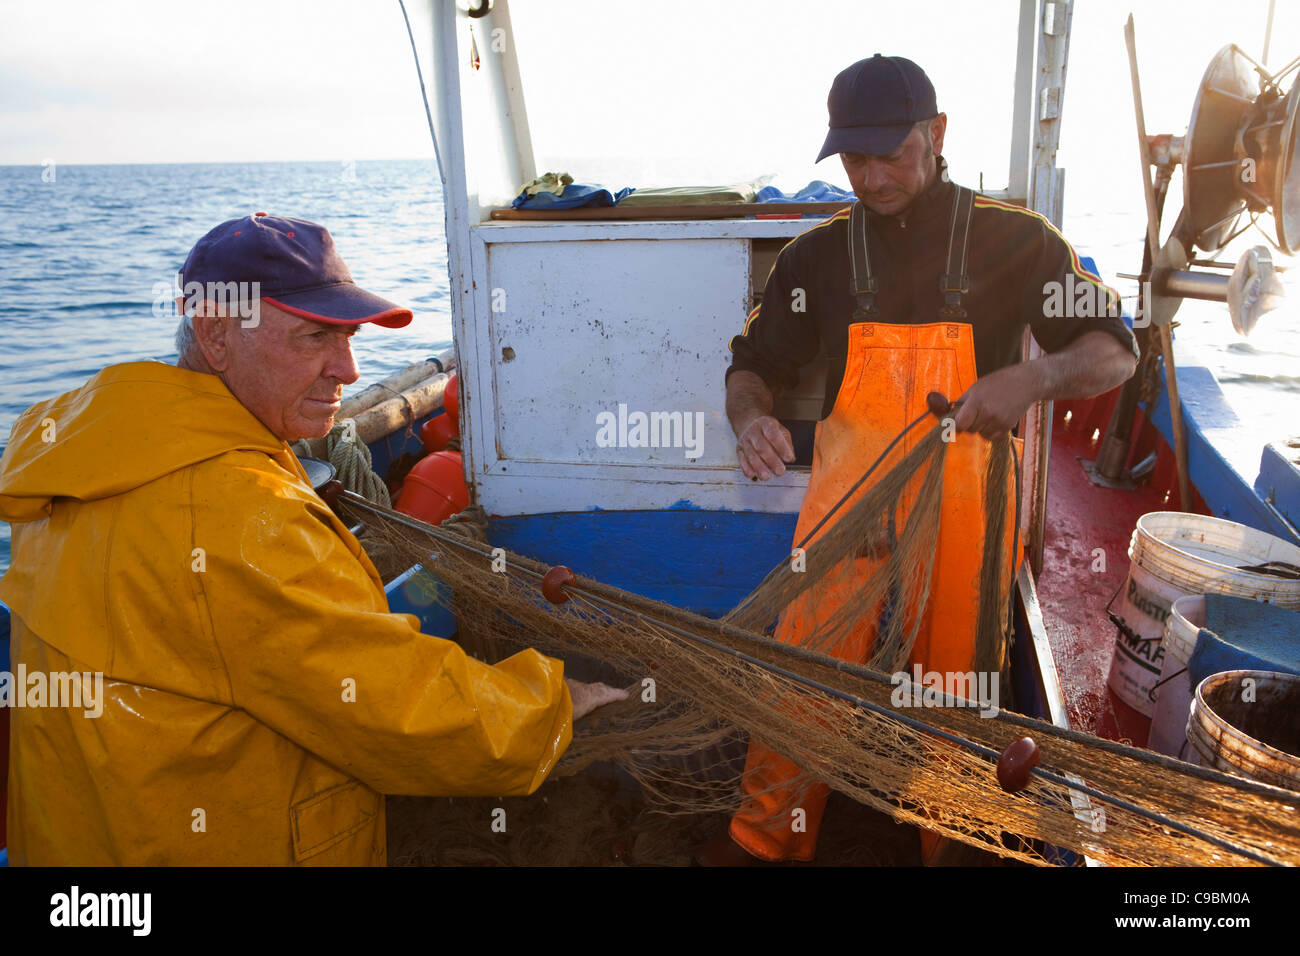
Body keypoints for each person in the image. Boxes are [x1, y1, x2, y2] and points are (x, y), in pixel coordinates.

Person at [0, 213, 625, 865]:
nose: (350, 370)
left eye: (349, 337)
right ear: (216, 334)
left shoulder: (79, 455)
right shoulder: (240, 518)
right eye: (315, 338)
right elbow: (397, 712)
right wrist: (551, 703)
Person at [703, 56, 1139, 865]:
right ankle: (765, 843)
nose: (870, 178)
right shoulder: (814, 261)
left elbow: (1115, 353)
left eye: (889, 154)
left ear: (936, 135)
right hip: (848, 509)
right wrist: (751, 417)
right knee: (805, 672)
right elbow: (750, 364)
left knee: (957, 693)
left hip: (967, 513)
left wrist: (1036, 375)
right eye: (853, 160)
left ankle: (949, 844)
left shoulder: (1021, 242)